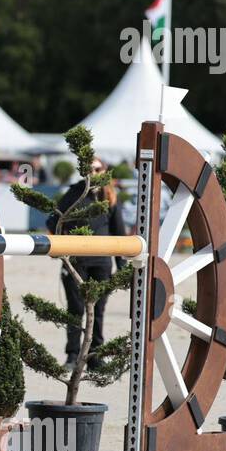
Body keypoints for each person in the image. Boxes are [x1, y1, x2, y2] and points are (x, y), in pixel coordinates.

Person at [46, 156, 127, 371]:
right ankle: (72, 356)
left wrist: (122, 268)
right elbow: (53, 220)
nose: (93, 172)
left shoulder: (110, 196)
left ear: (104, 170)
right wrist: (60, 248)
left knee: (98, 311)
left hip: (102, 263)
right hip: (76, 262)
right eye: (88, 169)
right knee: (76, 310)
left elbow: (119, 232)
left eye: (97, 168)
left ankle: (94, 356)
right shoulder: (74, 192)